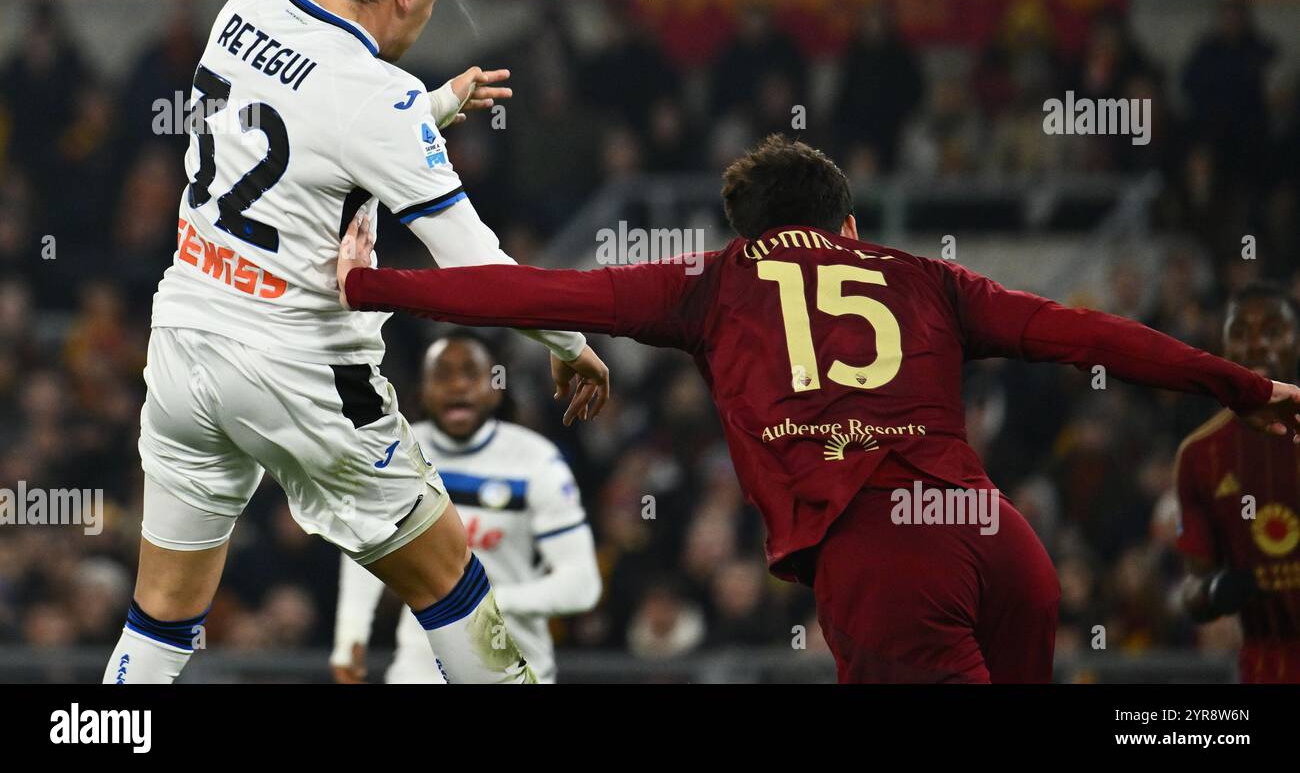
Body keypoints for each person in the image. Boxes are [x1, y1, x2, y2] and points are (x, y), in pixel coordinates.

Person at [336, 134, 1300, 683]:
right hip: (999, 540)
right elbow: (1093, 337)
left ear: (745, 233)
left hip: (887, 558)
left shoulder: (712, 281)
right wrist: (1245, 388)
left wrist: (374, 287)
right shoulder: (929, 276)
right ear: (847, 227)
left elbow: (536, 293)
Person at [103, 0, 610, 685]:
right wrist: (571, 341)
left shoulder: (245, 10)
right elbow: (477, 266)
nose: (428, 19)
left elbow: (302, 123)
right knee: (453, 582)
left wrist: (433, 108)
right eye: (433, 3)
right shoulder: (383, 99)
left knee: (161, 617)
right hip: (298, 371)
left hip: (185, 345)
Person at [331, 333, 601, 684]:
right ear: (422, 392)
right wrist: (350, 634)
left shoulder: (536, 461)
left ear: (496, 388)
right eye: (442, 375)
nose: (458, 385)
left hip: (514, 663)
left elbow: (582, 585)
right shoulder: (395, 455)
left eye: (471, 373)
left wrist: (480, 603)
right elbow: (367, 548)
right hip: (419, 671)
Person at [1175, 282, 1300, 682]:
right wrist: (1215, 593)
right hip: (1264, 666)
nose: (1257, 346)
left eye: (1273, 332)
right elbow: (1193, 586)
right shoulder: (1200, 454)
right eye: (1241, 334)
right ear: (1223, 348)